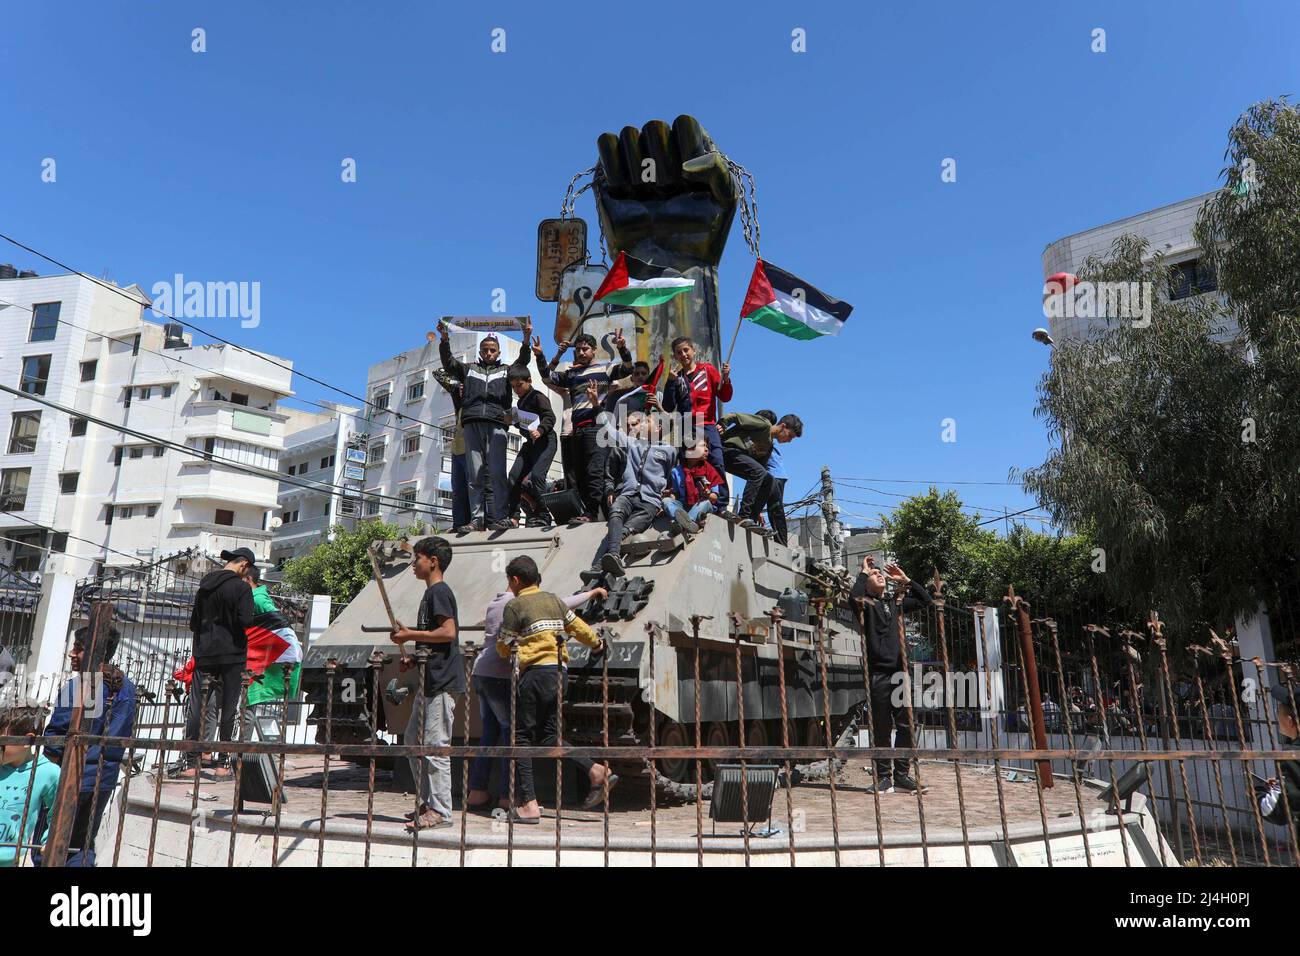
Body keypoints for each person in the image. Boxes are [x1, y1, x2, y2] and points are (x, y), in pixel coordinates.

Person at [466, 582, 607, 815]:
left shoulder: (498, 603)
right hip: (507, 676)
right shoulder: (521, 603)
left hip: (482, 673)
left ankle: (478, 792)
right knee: (514, 735)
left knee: (492, 734)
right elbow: (562, 607)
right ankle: (508, 796)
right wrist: (590, 597)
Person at [495, 555, 615, 822]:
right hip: (559, 674)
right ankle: (595, 769)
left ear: (515, 580)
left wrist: (504, 645)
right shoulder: (554, 601)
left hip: (534, 675)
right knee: (548, 737)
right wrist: (597, 644)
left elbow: (504, 646)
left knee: (520, 740)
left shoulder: (515, 606)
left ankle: (528, 805)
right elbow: (580, 628)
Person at [34, 625, 137, 867]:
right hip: (104, 778)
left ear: (94, 652)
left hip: (72, 776)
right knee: (81, 843)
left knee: (47, 843)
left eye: (78, 649)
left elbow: (58, 735)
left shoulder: (85, 685)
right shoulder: (126, 687)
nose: (71, 653)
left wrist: (47, 772)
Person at [390, 536, 464, 831]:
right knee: (412, 740)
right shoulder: (430, 594)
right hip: (430, 678)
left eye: (417, 558)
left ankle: (441, 810)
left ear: (433, 561)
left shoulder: (439, 592)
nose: (413, 564)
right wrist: (415, 657)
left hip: (443, 682)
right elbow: (435, 642)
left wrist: (410, 636)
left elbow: (448, 632)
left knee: (435, 746)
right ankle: (427, 801)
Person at [851, 556, 934, 794]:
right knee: (881, 728)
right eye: (874, 575)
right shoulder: (865, 603)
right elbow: (853, 597)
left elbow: (925, 600)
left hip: (901, 674)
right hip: (878, 673)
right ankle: (883, 777)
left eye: (880, 573)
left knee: (907, 725)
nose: (879, 575)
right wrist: (864, 573)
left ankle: (902, 776)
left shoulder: (895, 603)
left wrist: (906, 580)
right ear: (867, 585)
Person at [174, 548, 256, 779]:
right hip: (232, 655)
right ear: (244, 565)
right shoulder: (241, 588)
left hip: (205, 654)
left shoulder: (204, 588)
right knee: (229, 709)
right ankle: (222, 764)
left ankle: (190, 764)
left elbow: (194, 624)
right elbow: (246, 620)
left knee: (197, 706)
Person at [440, 323, 530, 531]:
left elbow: (522, 362)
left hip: (497, 425)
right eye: (485, 350)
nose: (488, 353)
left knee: (497, 473)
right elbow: (448, 363)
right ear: (480, 352)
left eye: (492, 350)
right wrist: (445, 339)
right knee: (475, 475)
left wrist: (525, 339)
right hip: (472, 425)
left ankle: (499, 518)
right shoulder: (469, 369)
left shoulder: (506, 372)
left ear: (498, 352)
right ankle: (477, 520)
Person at [538, 329, 634, 522]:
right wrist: (549, 355)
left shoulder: (605, 369)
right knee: (579, 474)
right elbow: (547, 376)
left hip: (597, 428)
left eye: (585, 349)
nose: (581, 353)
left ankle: (595, 513)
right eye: (578, 350)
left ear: (594, 351)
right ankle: (587, 513)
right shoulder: (571, 373)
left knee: (595, 472)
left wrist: (622, 348)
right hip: (577, 430)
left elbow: (628, 368)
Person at [589, 386, 679, 578]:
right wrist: (597, 405)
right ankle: (613, 555)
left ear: (658, 428)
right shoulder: (631, 443)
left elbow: (672, 473)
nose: (641, 424)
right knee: (616, 512)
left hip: (650, 501)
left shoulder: (669, 450)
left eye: (647, 421)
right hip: (629, 494)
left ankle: (600, 565)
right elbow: (609, 429)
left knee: (630, 527)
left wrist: (661, 409)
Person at [241, 564, 302, 738]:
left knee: (249, 701)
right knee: (248, 702)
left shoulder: (257, 600)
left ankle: (240, 750)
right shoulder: (256, 596)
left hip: (263, 656)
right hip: (254, 654)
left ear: (248, 579)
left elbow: (275, 623)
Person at [719, 411, 803, 529]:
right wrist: (722, 424)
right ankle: (743, 515)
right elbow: (735, 416)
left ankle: (750, 519)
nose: (789, 440)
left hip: (736, 460)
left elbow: (760, 473)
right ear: (783, 426)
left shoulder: (768, 446)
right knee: (759, 472)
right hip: (725, 450)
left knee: (769, 480)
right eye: (790, 436)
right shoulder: (763, 425)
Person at [661, 336, 732, 475]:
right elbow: (668, 406)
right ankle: (691, 497)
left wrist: (726, 379)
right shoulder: (676, 377)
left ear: (693, 351)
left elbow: (725, 396)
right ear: (675, 356)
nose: (683, 354)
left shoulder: (707, 370)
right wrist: (670, 383)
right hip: (686, 426)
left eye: (686, 350)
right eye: (679, 352)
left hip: (706, 423)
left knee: (716, 462)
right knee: (688, 467)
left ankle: (720, 497)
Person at [1, 706, 60, 867]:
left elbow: (59, 812)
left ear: (26, 740)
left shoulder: (47, 772)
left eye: (2, 743)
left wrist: (50, 839)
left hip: (8, 860)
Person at [504, 366, 558, 528]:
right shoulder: (520, 402)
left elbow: (550, 416)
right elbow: (525, 426)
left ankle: (543, 514)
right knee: (513, 476)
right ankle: (513, 516)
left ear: (529, 381)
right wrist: (512, 422)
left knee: (537, 477)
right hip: (531, 444)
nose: (516, 389)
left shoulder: (537, 397)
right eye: (513, 386)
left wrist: (540, 430)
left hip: (546, 441)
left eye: (519, 385)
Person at [431, 366, 472, 529]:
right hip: (457, 449)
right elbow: (438, 373)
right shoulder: (458, 394)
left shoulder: (481, 397)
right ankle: (459, 524)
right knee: (458, 491)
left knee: (473, 490)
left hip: (474, 450)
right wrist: (459, 381)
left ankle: (473, 522)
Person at [1257, 684, 1300, 830]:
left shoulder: (1293, 756)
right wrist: (1282, 784)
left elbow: (1274, 811)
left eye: (1278, 712)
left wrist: (1256, 791)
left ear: (1289, 721)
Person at [663, 436, 727, 535]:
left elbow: (714, 498)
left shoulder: (709, 470)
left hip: (701, 507)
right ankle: (686, 523)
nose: (707, 449)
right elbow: (676, 495)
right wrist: (669, 495)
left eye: (707, 446)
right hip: (684, 507)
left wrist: (708, 494)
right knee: (666, 501)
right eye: (703, 446)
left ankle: (685, 523)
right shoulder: (676, 472)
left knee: (705, 503)